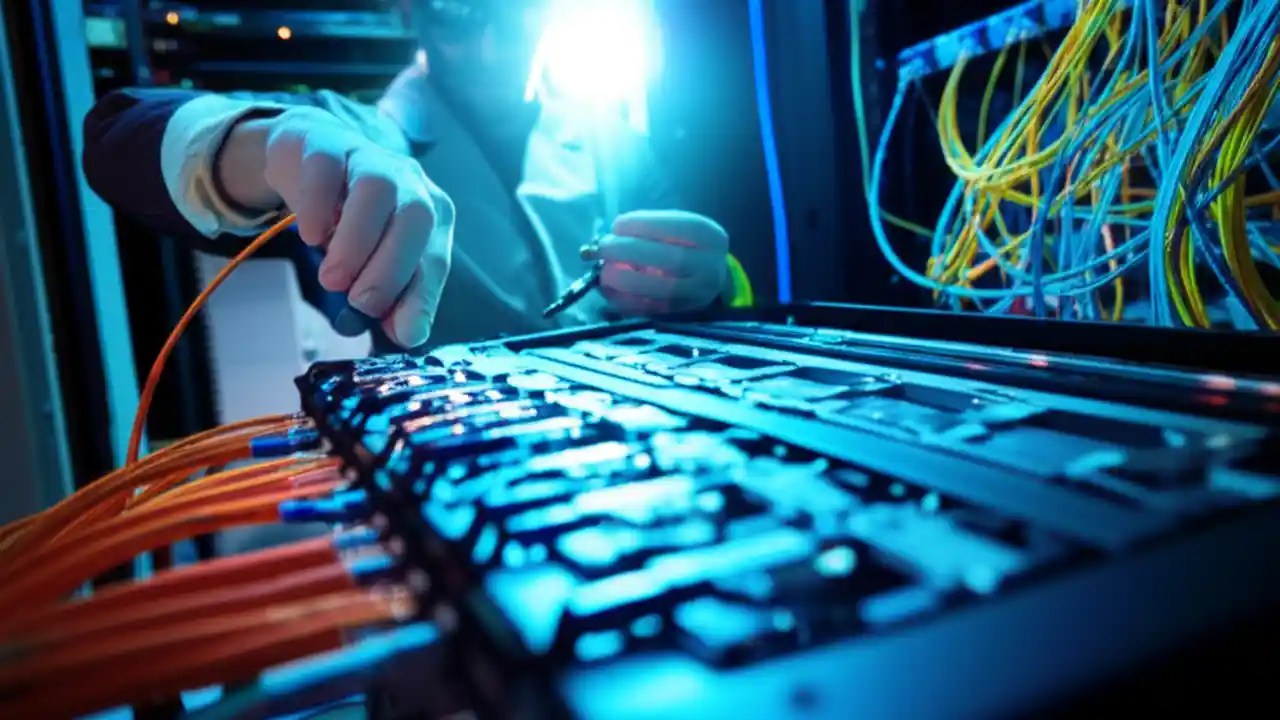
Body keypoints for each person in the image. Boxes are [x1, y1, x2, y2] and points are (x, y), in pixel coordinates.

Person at [83, 0, 745, 355]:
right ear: (410, 11)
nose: (490, 47)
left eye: (513, 12)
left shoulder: (616, 140)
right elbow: (118, 136)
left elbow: (718, 288)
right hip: (456, 462)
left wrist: (718, 285)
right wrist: (262, 145)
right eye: (460, 15)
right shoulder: (368, 134)